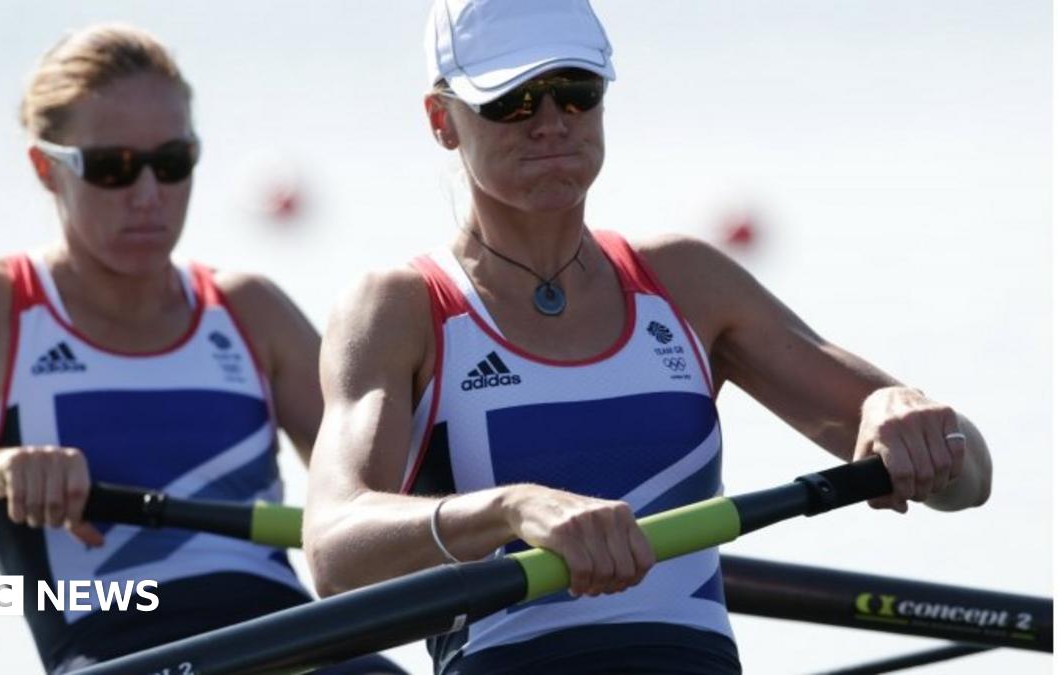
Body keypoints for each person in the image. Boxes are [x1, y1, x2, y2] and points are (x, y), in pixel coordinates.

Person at [302, 0, 994, 673]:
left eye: (574, 91)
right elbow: (334, 552)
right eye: (510, 99)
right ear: (441, 120)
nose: (550, 123)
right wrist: (513, 507)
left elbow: (970, 477)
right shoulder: (401, 306)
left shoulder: (686, 281)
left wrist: (902, 413)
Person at [0, 24, 400, 675]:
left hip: (298, 643)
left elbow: (387, 497)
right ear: (45, 168)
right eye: (113, 168)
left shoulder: (250, 310)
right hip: (121, 650)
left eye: (172, 163)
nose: (149, 196)